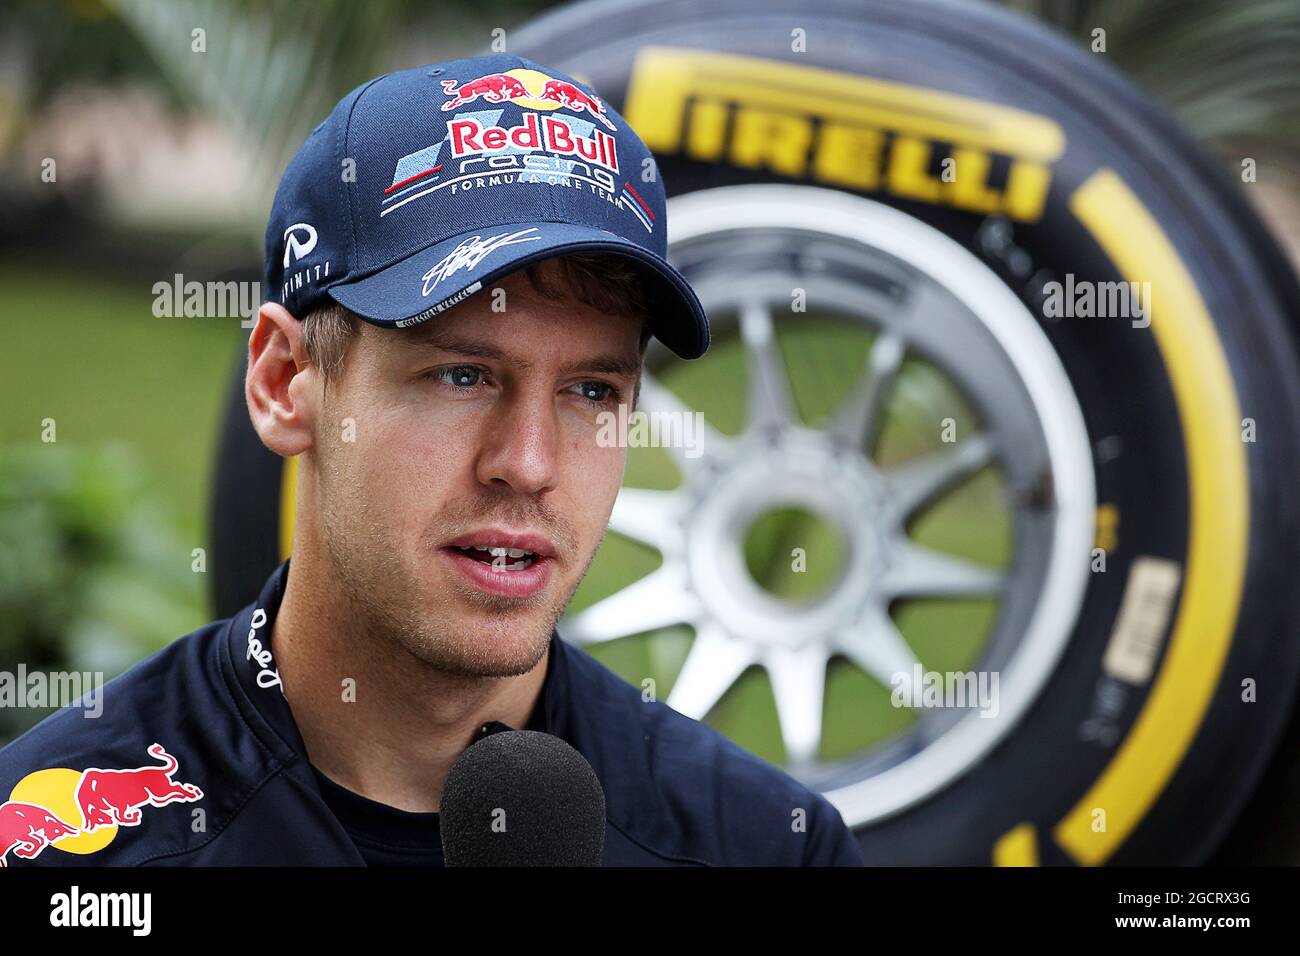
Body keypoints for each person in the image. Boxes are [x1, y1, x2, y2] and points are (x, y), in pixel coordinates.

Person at [0, 53, 863, 866]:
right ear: (283, 383)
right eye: (462, 375)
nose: (527, 464)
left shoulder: (766, 846)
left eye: (593, 391)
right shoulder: (54, 842)